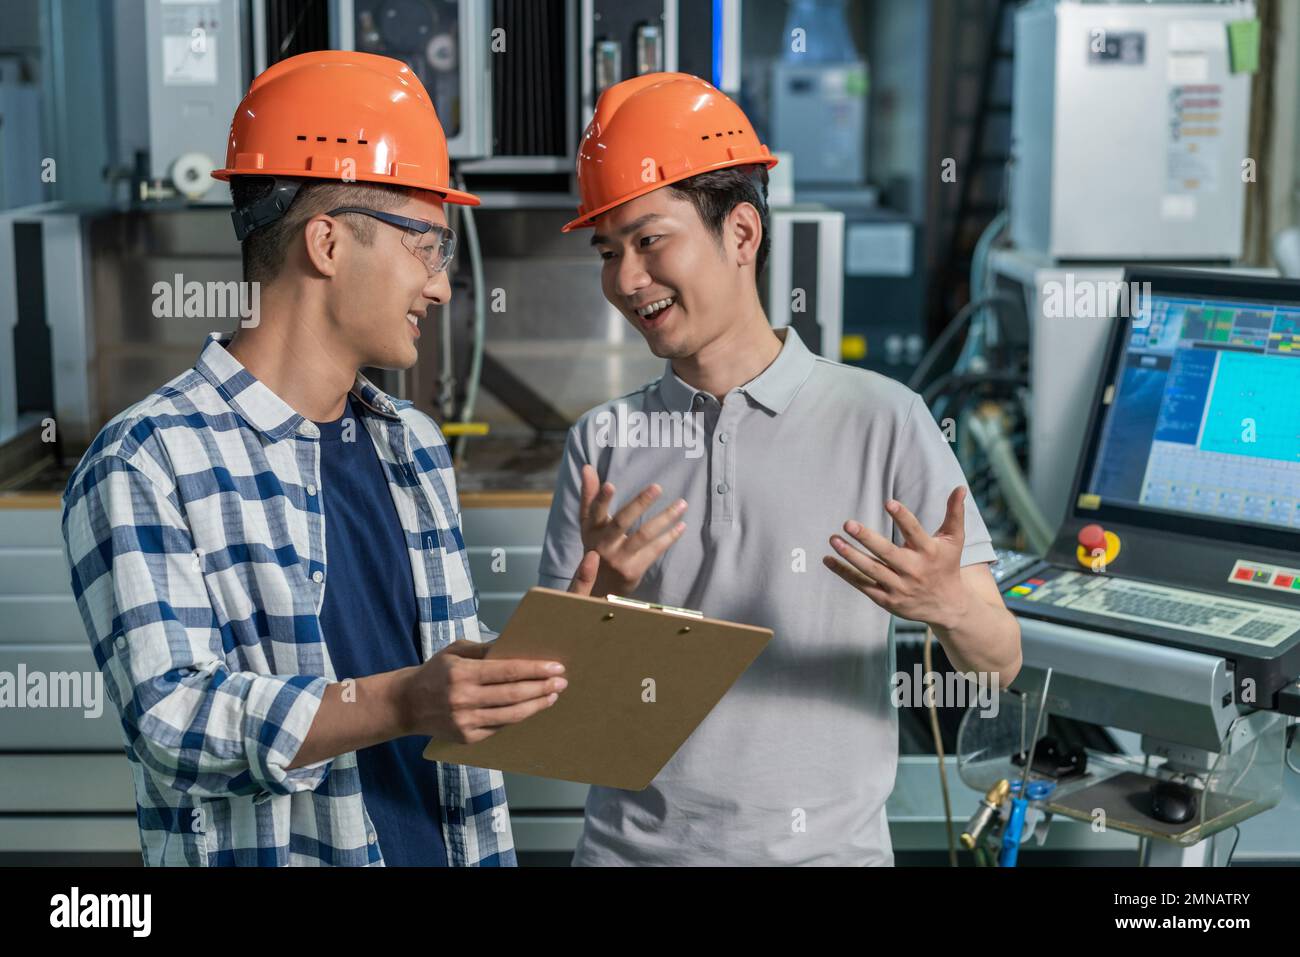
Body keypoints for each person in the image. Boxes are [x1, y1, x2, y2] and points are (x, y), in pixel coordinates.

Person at [60, 51, 586, 867]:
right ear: (329, 242)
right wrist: (405, 700)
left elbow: (438, 667)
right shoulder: (147, 460)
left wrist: (542, 651)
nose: (441, 287)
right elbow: (173, 722)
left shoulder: (411, 443)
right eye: (427, 246)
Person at [539, 72, 1022, 865]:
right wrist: (603, 603)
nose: (625, 280)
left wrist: (947, 606)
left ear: (740, 234)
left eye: (649, 241)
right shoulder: (604, 442)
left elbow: (1000, 663)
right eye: (608, 251)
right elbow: (562, 709)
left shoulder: (886, 420)